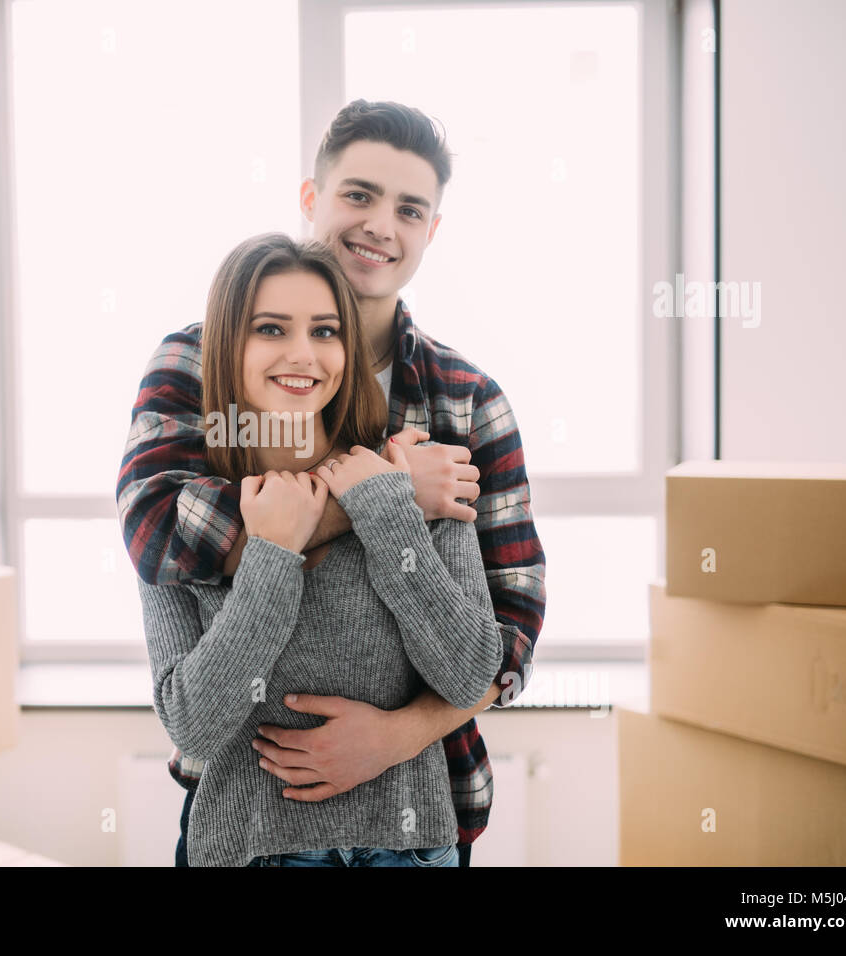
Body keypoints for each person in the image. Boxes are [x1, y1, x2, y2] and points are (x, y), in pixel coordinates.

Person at [117, 100, 547, 867]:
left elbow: (507, 635)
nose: (381, 224)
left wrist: (394, 736)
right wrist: (381, 497)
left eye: (409, 208)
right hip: (245, 816)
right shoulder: (198, 362)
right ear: (312, 198)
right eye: (359, 195)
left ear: (430, 231)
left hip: (420, 808)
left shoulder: (463, 401)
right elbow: (162, 530)